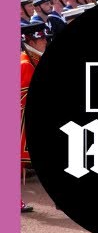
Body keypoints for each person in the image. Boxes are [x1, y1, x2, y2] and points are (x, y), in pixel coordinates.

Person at [20, 20, 48, 214]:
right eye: (43, 39)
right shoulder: (25, 63)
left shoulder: (31, 59)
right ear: (34, 41)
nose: (45, 42)